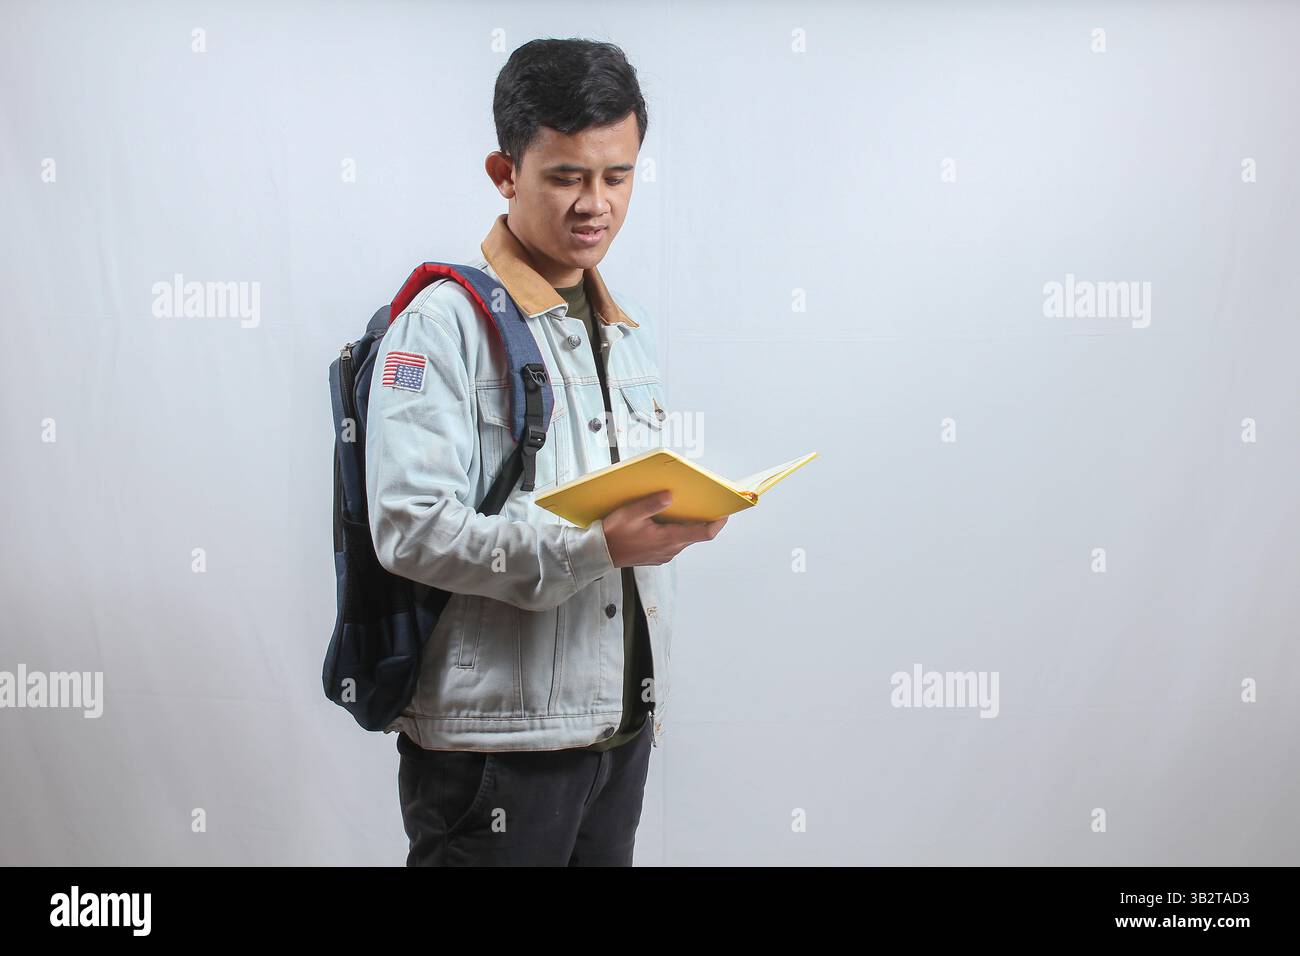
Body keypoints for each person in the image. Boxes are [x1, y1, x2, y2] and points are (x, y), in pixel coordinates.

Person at [365, 38, 727, 866]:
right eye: (567, 176)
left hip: (617, 729)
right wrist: (595, 544)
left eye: (617, 175)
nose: (594, 204)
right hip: (497, 751)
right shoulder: (442, 327)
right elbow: (410, 528)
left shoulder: (622, 328)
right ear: (505, 172)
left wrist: (681, 516)